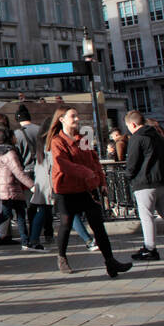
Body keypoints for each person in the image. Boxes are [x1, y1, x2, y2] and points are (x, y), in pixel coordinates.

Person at [48, 107, 132, 277]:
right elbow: (62, 164)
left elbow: (94, 161)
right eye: (73, 116)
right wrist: (85, 172)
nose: (77, 119)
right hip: (66, 190)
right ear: (62, 119)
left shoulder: (83, 139)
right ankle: (62, 257)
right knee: (65, 225)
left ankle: (110, 262)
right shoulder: (57, 141)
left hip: (86, 189)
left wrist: (101, 181)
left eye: (77, 116)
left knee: (98, 226)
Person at [124, 110, 164, 262]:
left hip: (145, 182)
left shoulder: (137, 137)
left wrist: (128, 176)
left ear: (132, 124)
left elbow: (132, 163)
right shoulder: (157, 135)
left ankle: (150, 248)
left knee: (147, 216)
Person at [0, 127, 36, 248]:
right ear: (10, 138)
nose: (16, 138)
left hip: (8, 187)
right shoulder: (10, 153)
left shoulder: (2, 152)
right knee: (7, 214)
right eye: (14, 136)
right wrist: (32, 185)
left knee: (19, 214)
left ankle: (25, 241)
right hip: (10, 188)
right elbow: (18, 172)